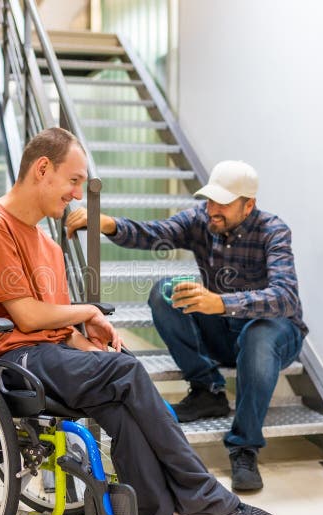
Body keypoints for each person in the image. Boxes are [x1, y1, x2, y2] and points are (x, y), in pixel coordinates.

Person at [0, 128, 277, 515]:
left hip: (42, 355)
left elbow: (54, 327)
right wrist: (86, 311)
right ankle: (205, 497)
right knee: (126, 373)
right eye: (73, 181)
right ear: (42, 168)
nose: (75, 194)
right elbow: (29, 318)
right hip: (2, 357)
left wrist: (85, 341)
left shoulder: (49, 247)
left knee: (120, 390)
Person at [66, 160, 307, 492]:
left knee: (259, 332)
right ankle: (208, 391)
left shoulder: (273, 231)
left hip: (275, 334)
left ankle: (244, 448)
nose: (212, 210)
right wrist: (107, 224)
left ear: (248, 205)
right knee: (165, 292)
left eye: (222, 203)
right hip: (225, 330)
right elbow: (155, 233)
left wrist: (221, 303)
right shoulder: (201, 220)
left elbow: (286, 297)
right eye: (209, 200)